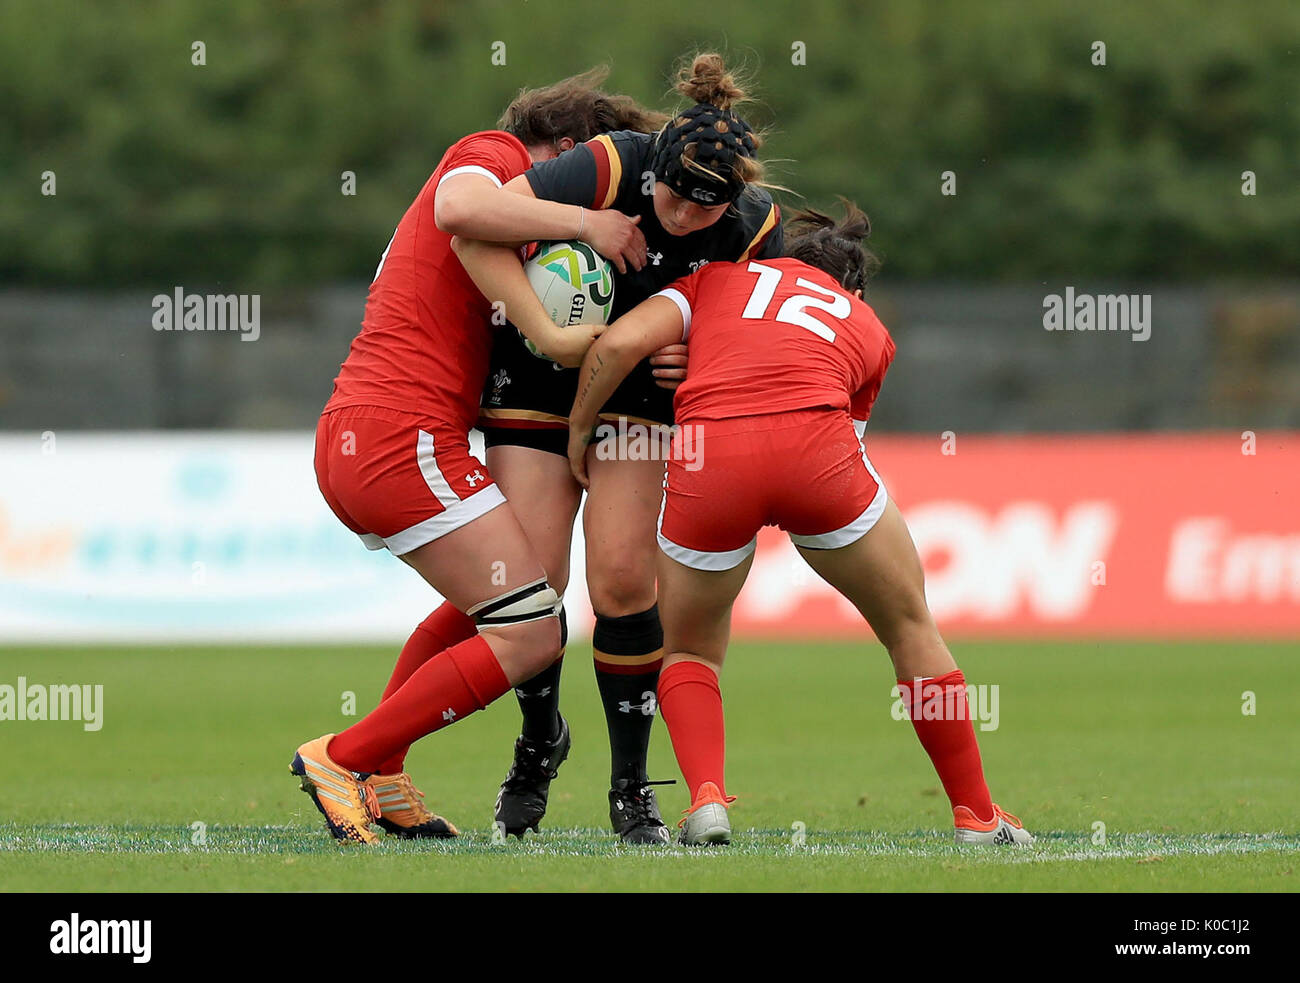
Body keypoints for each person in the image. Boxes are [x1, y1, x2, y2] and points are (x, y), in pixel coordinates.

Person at [564, 201, 1034, 847]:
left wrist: (581, 428)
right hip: (817, 455)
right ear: (855, 287)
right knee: (910, 629)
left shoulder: (719, 278)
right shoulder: (867, 323)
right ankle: (977, 815)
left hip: (711, 460)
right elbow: (846, 434)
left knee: (691, 649)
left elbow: (616, 344)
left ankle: (706, 800)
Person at [290, 71, 664, 844]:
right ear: (565, 147)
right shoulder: (490, 151)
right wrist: (588, 225)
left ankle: (384, 772)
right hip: (403, 438)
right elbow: (457, 208)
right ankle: (342, 756)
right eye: (585, 174)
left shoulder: (510, 205)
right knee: (533, 629)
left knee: (503, 600)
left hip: (382, 432)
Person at [452, 52, 783, 844]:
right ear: (658, 162)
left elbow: (755, 338)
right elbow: (469, 220)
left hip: (637, 402)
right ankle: (538, 746)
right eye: (671, 197)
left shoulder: (753, 227)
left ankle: (632, 789)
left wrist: (695, 351)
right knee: (533, 588)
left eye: (705, 212)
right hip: (540, 375)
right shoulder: (610, 163)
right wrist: (583, 224)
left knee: (625, 579)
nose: (682, 217)